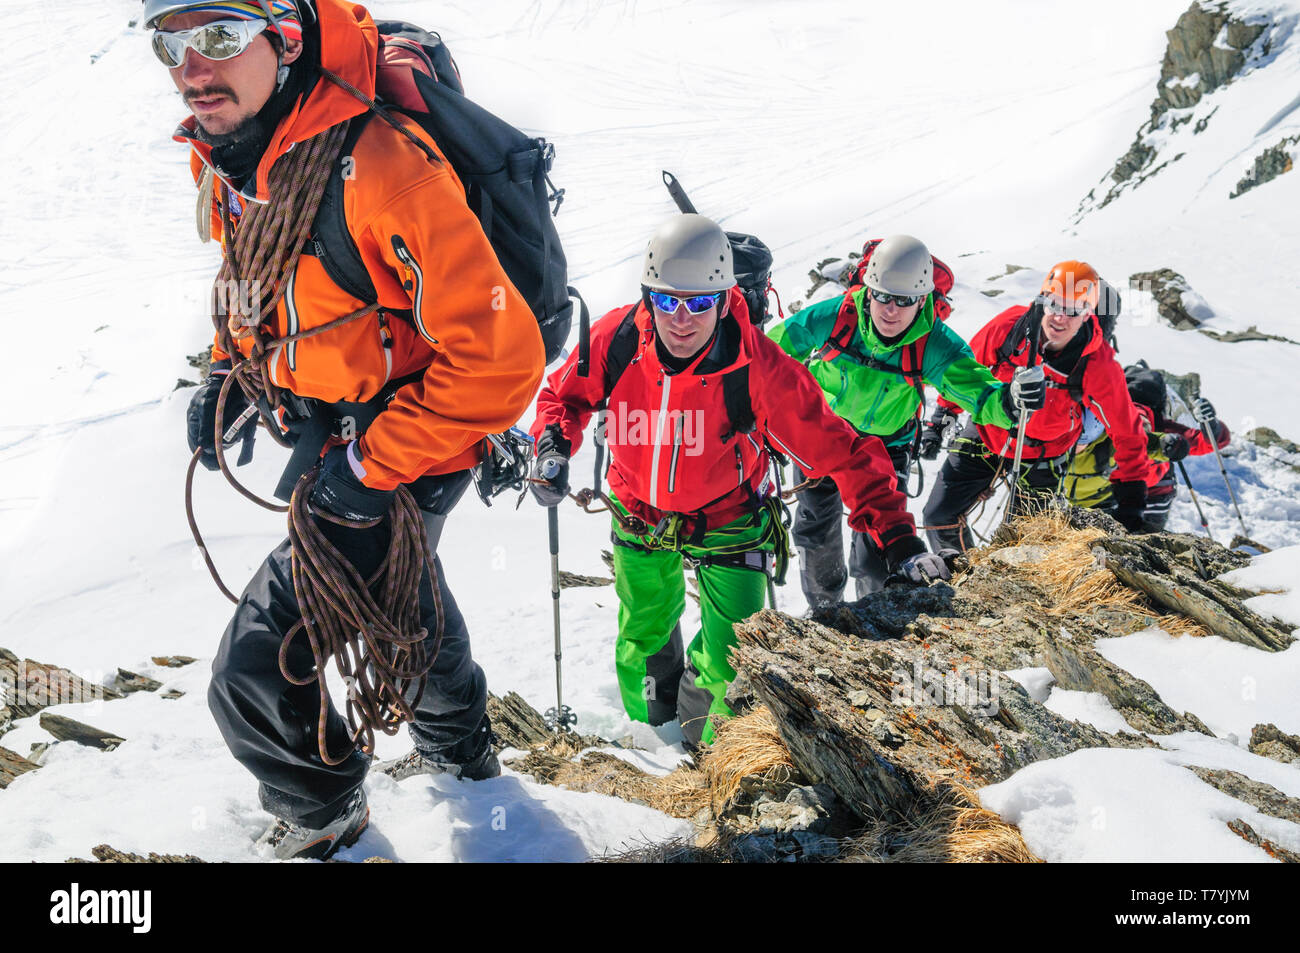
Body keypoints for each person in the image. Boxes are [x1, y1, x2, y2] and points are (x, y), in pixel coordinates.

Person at [149, 0, 545, 858]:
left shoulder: (384, 168)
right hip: (335, 423)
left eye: (217, 37)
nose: (191, 67)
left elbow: (500, 361)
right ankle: (462, 752)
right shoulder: (232, 155)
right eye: (170, 43)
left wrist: (369, 467)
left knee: (250, 671)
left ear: (285, 41)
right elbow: (256, 273)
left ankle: (325, 813)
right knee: (408, 592)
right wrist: (231, 368)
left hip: (414, 434)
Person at [528, 215, 949, 749]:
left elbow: (840, 449)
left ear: (726, 299)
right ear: (647, 296)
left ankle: (712, 749)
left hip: (729, 517)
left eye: (700, 303)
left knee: (735, 653)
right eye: (668, 301)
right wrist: (552, 447)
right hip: (639, 511)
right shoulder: (619, 337)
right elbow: (563, 398)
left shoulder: (759, 364)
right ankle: (652, 738)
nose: (682, 320)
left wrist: (898, 537)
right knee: (644, 637)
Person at [768, 234, 1035, 606]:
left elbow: (975, 387)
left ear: (923, 299)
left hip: (885, 448)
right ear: (868, 289)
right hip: (823, 439)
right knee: (816, 529)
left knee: (880, 540)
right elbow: (770, 354)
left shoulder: (933, 343)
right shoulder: (833, 317)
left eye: (905, 300)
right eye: (882, 295)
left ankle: (873, 609)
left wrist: (1007, 401)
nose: (891, 309)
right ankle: (825, 609)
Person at [922, 261, 1156, 549]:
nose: (1059, 317)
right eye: (1054, 303)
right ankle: (963, 581)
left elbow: (1126, 429)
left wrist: (1132, 493)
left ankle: (998, 586)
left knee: (1023, 546)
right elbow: (966, 371)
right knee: (939, 518)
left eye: (1072, 309)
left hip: (1046, 453)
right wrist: (942, 416)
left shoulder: (1097, 363)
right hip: (987, 432)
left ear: (1087, 314)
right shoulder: (1012, 327)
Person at [1065, 363, 1230, 530]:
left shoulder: (1159, 427)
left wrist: (1211, 426)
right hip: (1130, 490)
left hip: (1155, 491)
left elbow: (1209, 442)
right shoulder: (1110, 426)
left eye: (1141, 429)